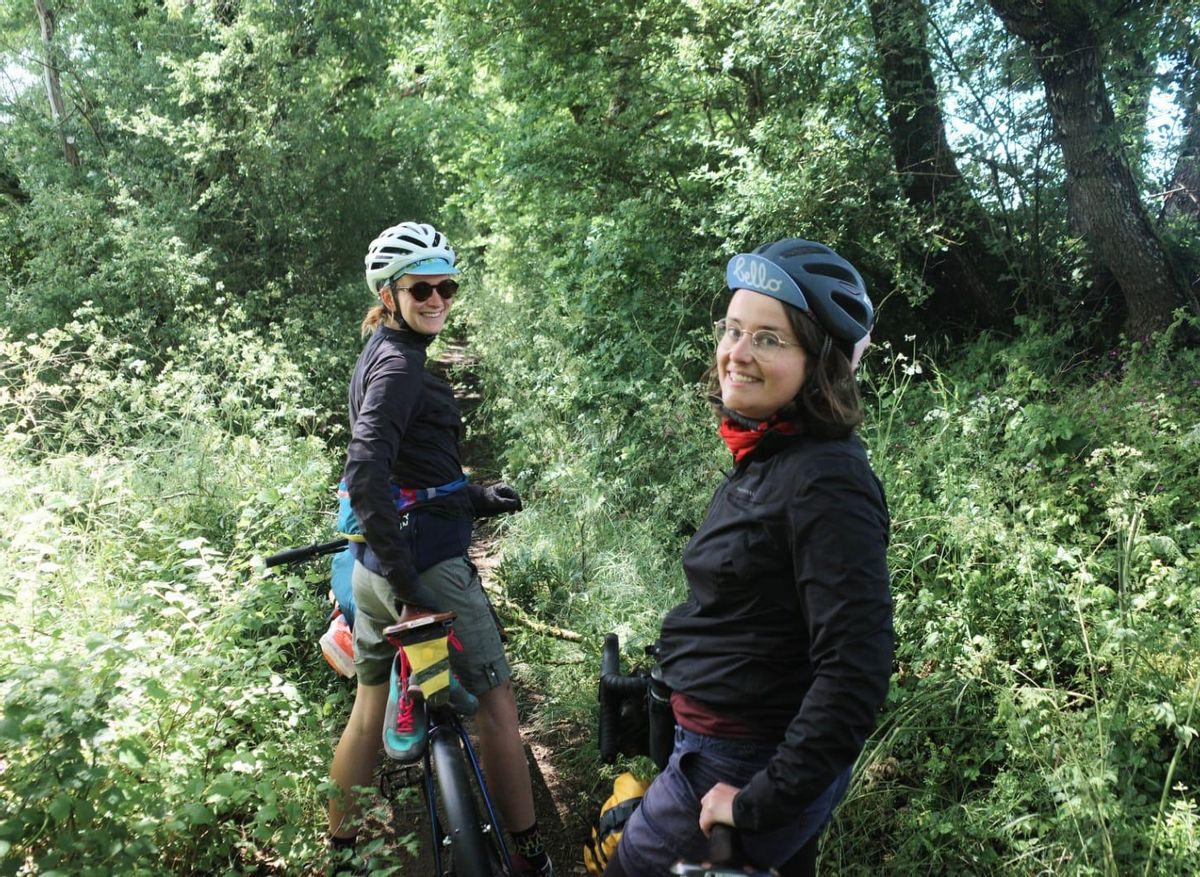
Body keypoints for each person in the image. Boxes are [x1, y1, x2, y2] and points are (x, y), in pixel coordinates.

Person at [604, 239, 894, 877]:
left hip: (741, 763)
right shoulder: (773, 457)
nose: (736, 353)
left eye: (769, 339)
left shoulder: (826, 481)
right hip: (716, 748)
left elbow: (856, 669)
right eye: (733, 330)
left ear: (821, 364)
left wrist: (762, 801)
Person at [327, 221, 553, 876]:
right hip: (419, 565)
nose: (438, 300)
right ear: (391, 293)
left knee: (367, 708)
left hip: (368, 569)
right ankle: (532, 853)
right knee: (498, 709)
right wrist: (412, 585)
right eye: (422, 287)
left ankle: (341, 853)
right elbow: (368, 472)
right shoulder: (400, 364)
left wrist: (472, 494)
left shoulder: (381, 352)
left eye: (446, 286)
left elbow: (405, 471)